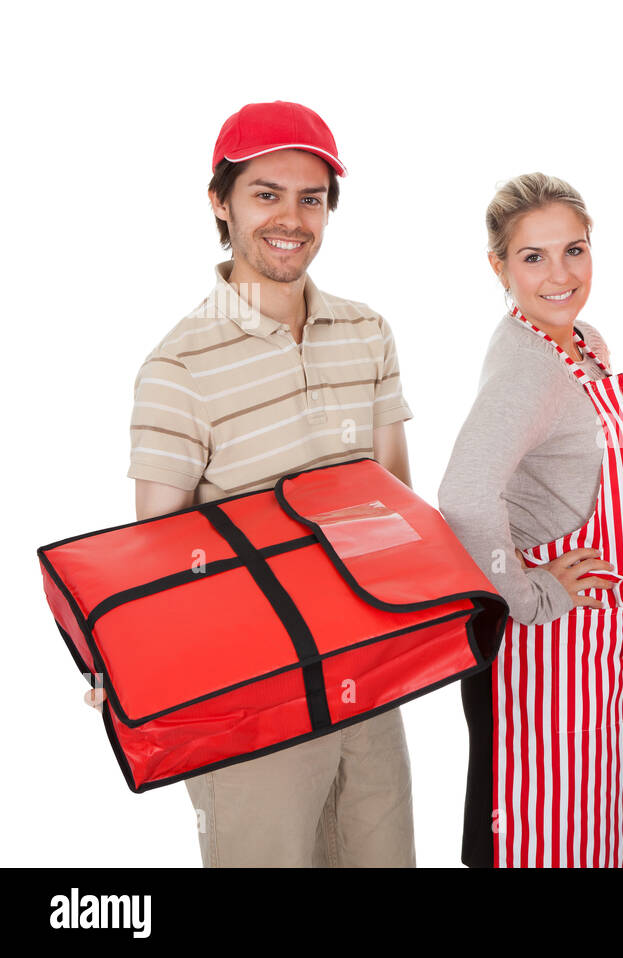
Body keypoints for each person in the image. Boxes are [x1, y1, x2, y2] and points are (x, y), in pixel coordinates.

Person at [125, 100, 418, 867]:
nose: (291, 219)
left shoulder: (367, 332)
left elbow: (398, 504)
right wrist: (125, 663)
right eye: (266, 194)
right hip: (254, 693)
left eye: (310, 198)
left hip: (367, 676)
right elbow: (158, 556)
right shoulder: (176, 367)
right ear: (220, 202)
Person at [440, 173, 623, 868]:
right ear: (499, 267)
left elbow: (619, 466)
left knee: (602, 837)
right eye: (533, 257)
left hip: (605, 653)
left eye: (574, 250)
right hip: (547, 661)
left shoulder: (585, 343)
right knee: (544, 840)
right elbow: (463, 495)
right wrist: (534, 592)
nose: (559, 275)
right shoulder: (528, 367)